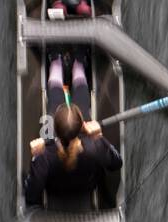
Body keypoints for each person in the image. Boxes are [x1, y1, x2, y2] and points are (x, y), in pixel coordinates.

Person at [23, 50, 121, 206]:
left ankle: (55, 61)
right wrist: (99, 136)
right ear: (82, 125)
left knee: (54, 100)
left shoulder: (44, 156)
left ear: (55, 127)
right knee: (81, 100)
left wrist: (35, 157)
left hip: (56, 190)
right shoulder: (94, 146)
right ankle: (79, 62)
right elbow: (116, 163)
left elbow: (30, 194)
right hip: (86, 187)